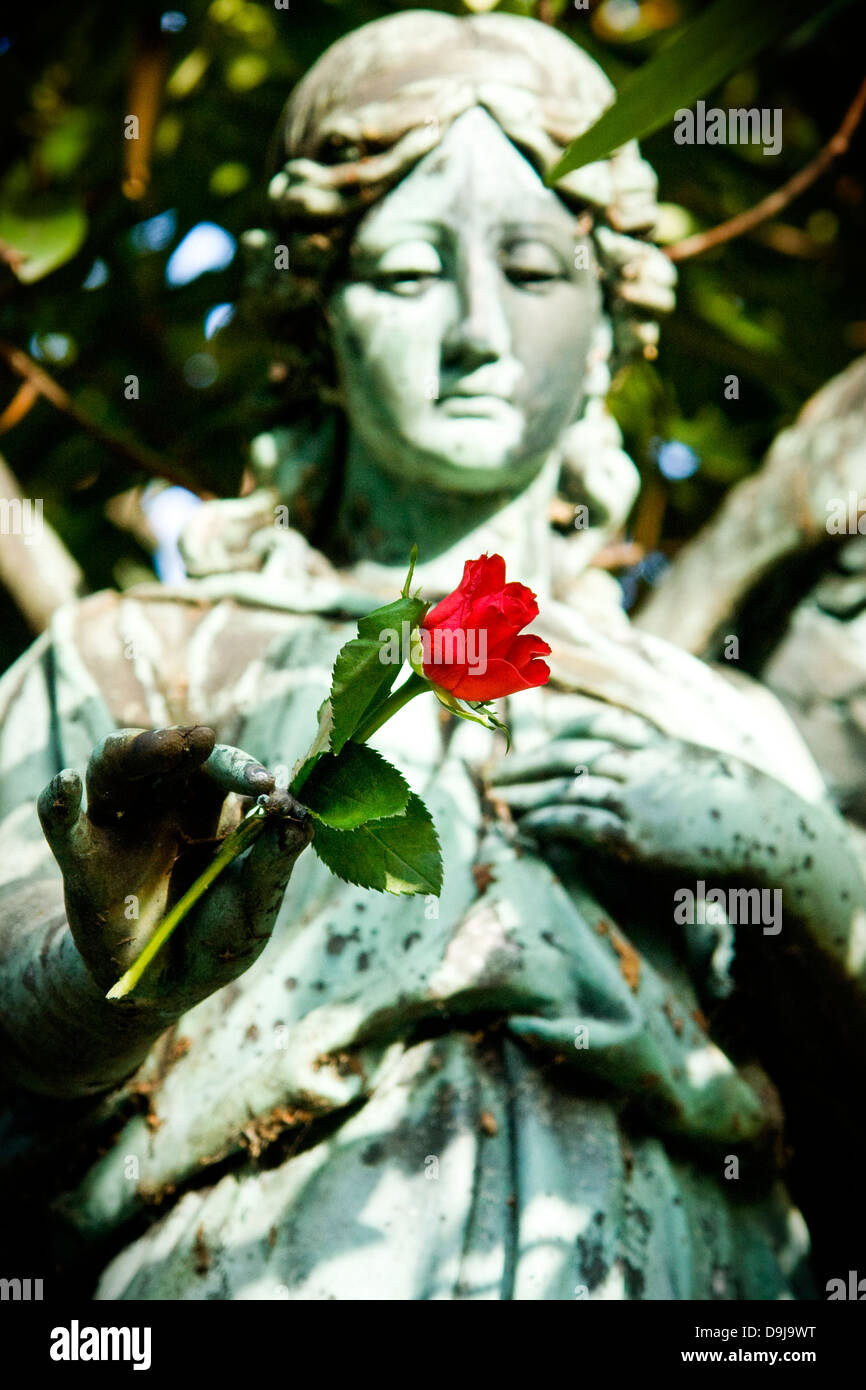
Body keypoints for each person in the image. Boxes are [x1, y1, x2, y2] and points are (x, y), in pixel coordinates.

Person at [1, 10, 861, 1300]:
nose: (474, 330)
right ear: (319, 323)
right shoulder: (137, 659)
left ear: (614, 323)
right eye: (406, 272)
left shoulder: (715, 719)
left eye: (532, 271)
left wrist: (787, 847)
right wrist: (115, 977)